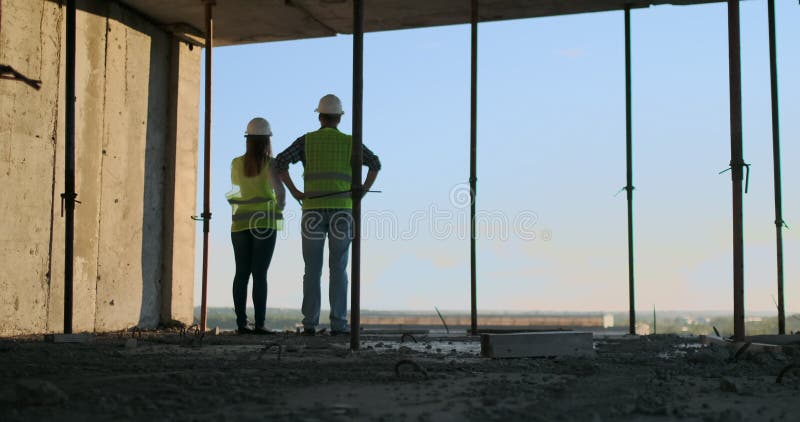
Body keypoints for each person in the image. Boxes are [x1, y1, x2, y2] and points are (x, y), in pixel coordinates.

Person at [275, 94, 380, 336]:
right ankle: (339, 324)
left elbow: (280, 162)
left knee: (312, 269)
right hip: (343, 210)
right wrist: (360, 193)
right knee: (339, 268)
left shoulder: (307, 141)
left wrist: (295, 192)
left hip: (312, 210)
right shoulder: (350, 142)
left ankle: (310, 324)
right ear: (339, 118)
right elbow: (375, 164)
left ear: (320, 116)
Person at [226, 117, 285, 334]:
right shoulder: (271, 164)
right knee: (260, 274)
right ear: (267, 140)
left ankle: (242, 323)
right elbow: (279, 192)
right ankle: (260, 324)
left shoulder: (235, 163)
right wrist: (279, 207)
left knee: (241, 273)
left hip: (240, 222)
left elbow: (236, 189)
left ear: (248, 139)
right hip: (265, 223)